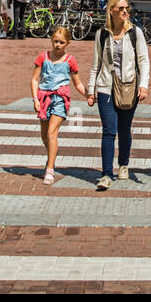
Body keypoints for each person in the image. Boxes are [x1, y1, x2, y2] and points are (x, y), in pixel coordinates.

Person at [87, 0, 150, 191]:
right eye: (121, 8)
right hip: (106, 86)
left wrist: (144, 84)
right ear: (111, 10)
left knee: (124, 129)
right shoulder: (102, 34)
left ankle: (123, 164)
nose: (125, 11)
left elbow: (144, 60)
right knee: (109, 131)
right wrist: (91, 90)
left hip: (129, 86)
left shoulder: (135, 33)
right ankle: (106, 174)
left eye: (126, 9)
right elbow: (95, 64)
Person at [32, 27, 87, 184]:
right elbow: (35, 79)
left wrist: (89, 95)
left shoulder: (70, 61)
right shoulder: (43, 57)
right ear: (51, 40)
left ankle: (49, 169)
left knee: (51, 132)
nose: (57, 45)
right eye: (55, 41)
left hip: (60, 98)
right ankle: (53, 152)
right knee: (45, 135)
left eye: (61, 42)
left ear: (67, 43)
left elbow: (77, 83)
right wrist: (35, 98)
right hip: (44, 97)